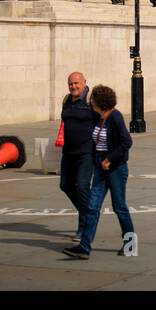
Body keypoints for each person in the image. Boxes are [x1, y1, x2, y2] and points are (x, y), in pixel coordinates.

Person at [63, 85, 136, 259]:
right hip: (100, 167)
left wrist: (109, 159)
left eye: (93, 99)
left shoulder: (115, 117)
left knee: (120, 207)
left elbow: (127, 142)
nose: (90, 102)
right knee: (92, 207)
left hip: (116, 168)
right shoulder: (98, 117)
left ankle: (131, 244)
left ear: (100, 101)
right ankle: (84, 247)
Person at [58, 71, 96, 241]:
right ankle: (88, 212)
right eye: (70, 84)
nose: (73, 87)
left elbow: (102, 122)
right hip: (68, 152)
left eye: (76, 83)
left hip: (86, 153)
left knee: (82, 186)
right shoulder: (67, 100)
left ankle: (83, 227)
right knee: (65, 185)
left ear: (84, 83)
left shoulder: (91, 101)